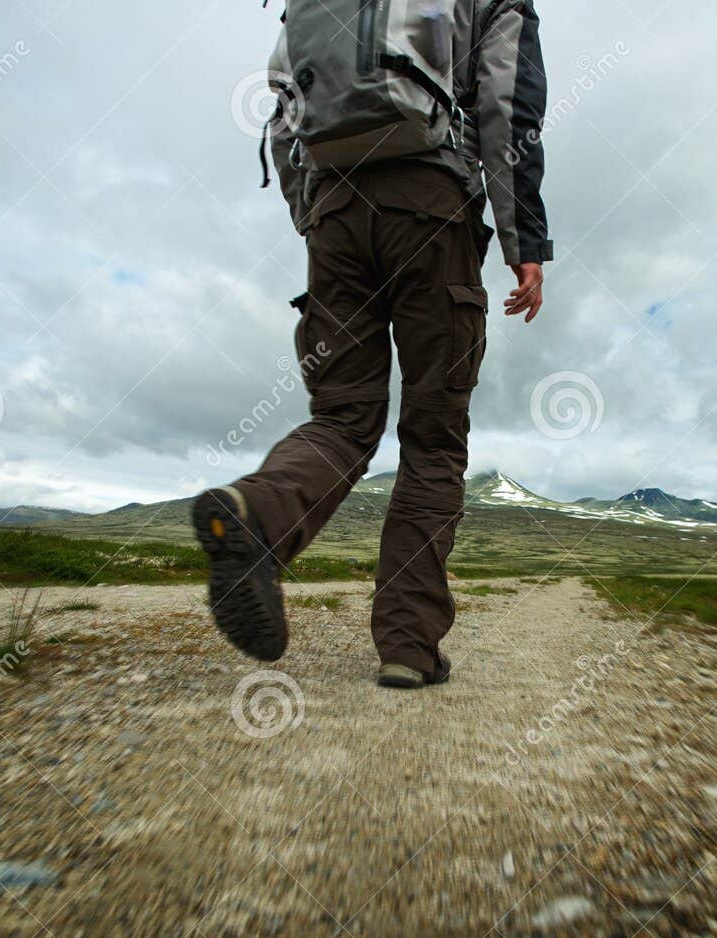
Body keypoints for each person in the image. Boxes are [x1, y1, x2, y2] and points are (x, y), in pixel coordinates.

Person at [194, 0, 552, 688]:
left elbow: (282, 119)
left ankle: (256, 514)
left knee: (342, 418)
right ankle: (408, 647)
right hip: (431, 206)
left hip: (334, 207)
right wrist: (524, 242)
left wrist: (320, 217)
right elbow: (509, 107)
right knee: (433, 437)